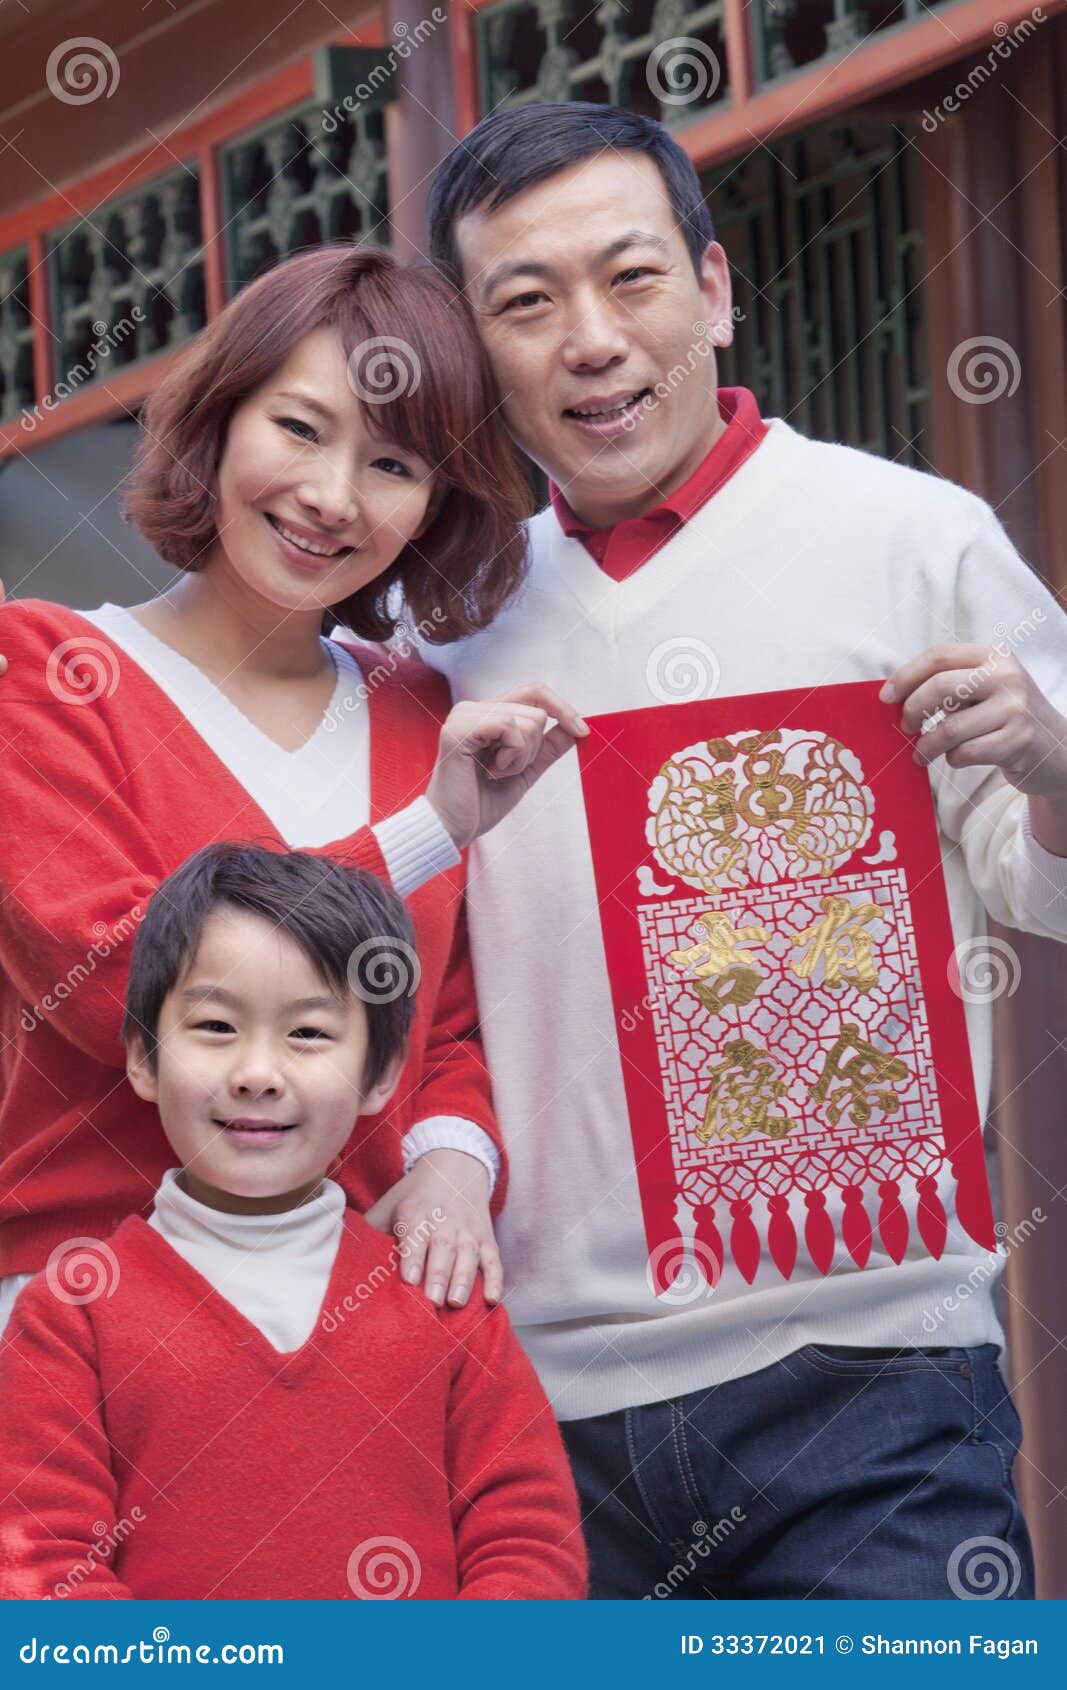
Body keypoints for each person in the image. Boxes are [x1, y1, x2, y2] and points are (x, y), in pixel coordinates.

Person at [402, 103, 1067, 1598]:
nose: (590, 340)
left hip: (873, 1373)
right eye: (525, 302)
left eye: (630, 276)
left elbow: (1039, 886)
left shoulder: (911, 537)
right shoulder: (442, 625)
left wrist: (1047, 755)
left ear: (711, 288)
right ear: (473, 349)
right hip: (534, 1408)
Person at [0, 242, 586, 1336]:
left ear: (434, 506)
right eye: (301, 428)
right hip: (83, 1321)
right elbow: (116, 978)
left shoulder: (419, 713)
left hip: (342, 1328)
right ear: (220, 420)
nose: (331, 497)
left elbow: (444, 1027)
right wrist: (425, 832)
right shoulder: (47, 671)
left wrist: (452, 1162)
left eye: (393, 465)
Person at [0, 843, 587, 1600]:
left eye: (307, 1034)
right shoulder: (71, 1312)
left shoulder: (438, 1292)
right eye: (216, 1026)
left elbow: (528, 1539)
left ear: (380, 1075)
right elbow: (44, 1566)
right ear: (144, 1057)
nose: (257, 1073)